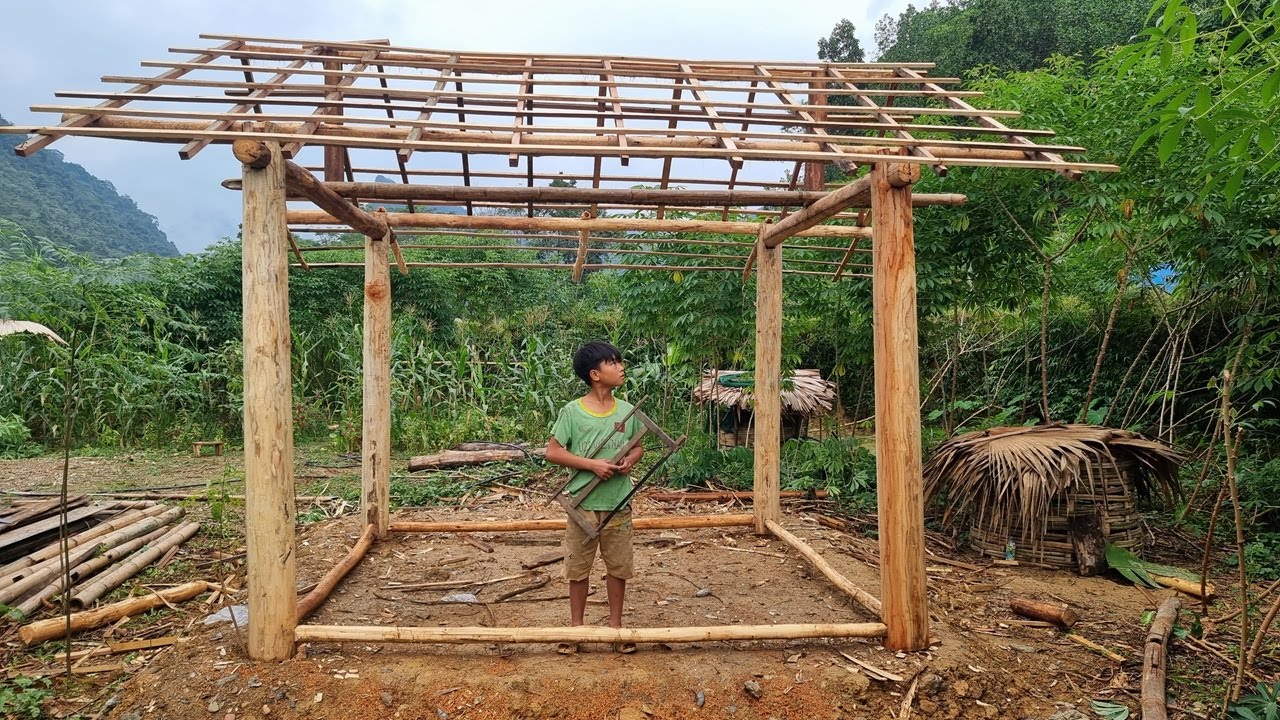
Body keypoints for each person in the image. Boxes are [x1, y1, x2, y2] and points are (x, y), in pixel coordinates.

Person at [545, 341, 643, 654]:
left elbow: (638, 445)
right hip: (581, 507)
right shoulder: (572, 412)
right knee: (578, 568)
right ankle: (577, 629)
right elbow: (553, 452)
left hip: (618, 504)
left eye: (619, 361)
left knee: (618, 567)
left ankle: (615, 629)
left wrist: (631, 460)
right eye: (612, 363)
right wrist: (593, 465)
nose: (620, 367)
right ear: (594, 374)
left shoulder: (628, 411)